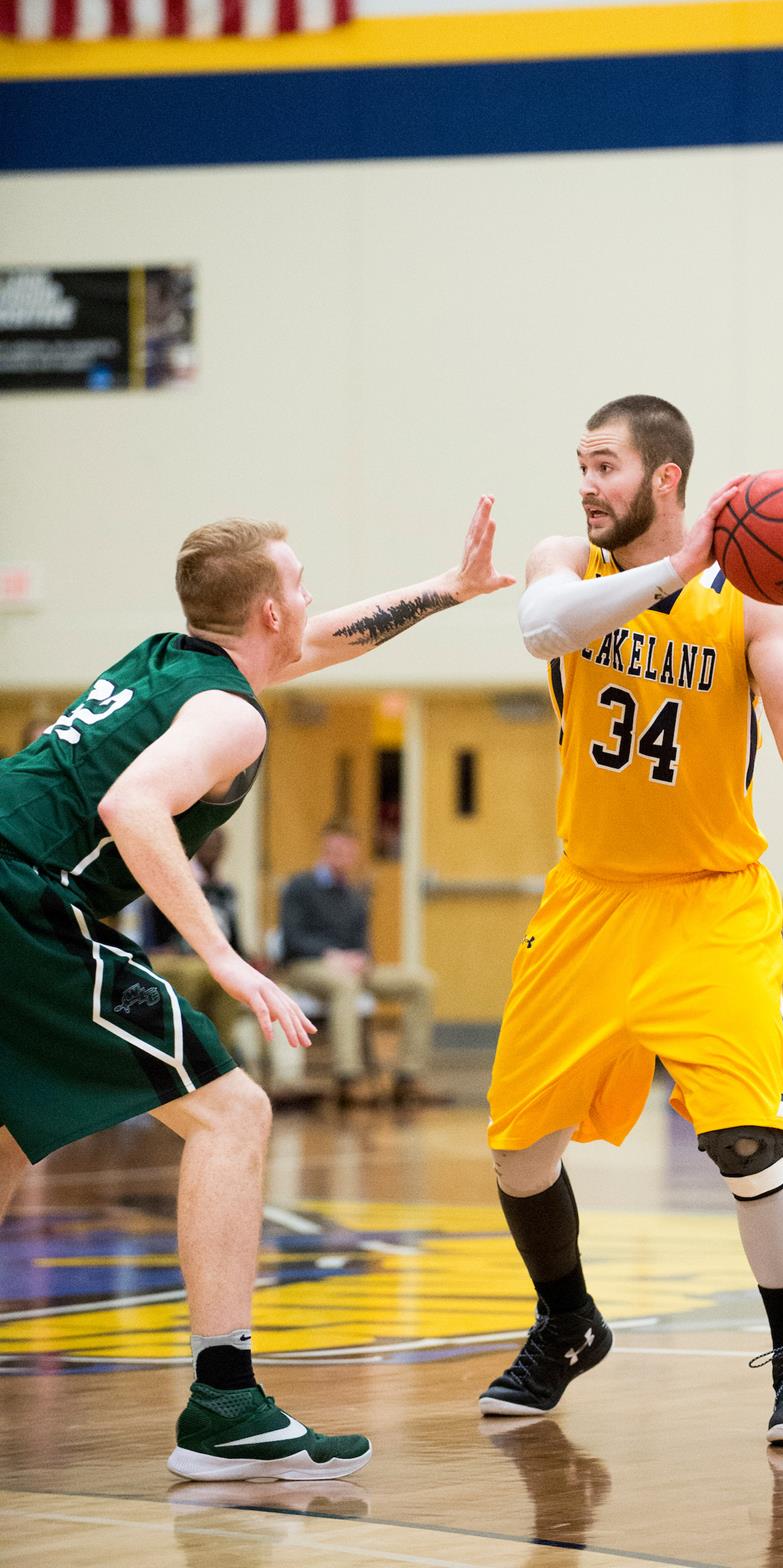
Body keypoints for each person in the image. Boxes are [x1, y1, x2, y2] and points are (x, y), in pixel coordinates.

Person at [0, 500, 513, 1479]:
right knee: (233, 1113)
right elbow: (132, 805)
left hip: (13, 873)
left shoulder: (173, 659)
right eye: (298, 581)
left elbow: (326, 637)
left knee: (10, 1132)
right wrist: (228, 958)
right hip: (24, 900)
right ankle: (225, 1401)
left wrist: (451, 589)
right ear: (267, 611)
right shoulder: (229, 712)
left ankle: (227, 1401)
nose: (310, 597)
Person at [480, 395, 783, 1445]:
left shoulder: (748, 603)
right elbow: (540, 626)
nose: (587, 484)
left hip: (709, 898)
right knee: (518, 1151)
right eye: (582, 464)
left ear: (665, 476)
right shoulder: (569, 560)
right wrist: (679, 565)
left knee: (747, 1136)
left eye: (605, 465)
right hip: (591, 894)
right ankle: (566, 1323)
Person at [273, 819, 447, 1107]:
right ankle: (348, 1077)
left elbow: (363, 945)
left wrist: (363, 960)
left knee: (421, 983)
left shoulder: (355, 896)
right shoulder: (299, 887)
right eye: (335, 850)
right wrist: (329, 955)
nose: (342, 857)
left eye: (348, 852)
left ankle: (408, 1075)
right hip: (305, 967)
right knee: (345, 985)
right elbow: (291, 938)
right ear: (325, 850)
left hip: (351, 970)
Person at [140, 828, 248, 1057]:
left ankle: (221, 1054)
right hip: (174, 957)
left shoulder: (225, 890)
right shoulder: (176, 881)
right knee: (196, 974)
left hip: (209, 959)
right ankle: (186, 1050)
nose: (213, 851)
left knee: (230, 978)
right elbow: (157, 936)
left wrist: (246, 961)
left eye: (218, 846)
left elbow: (234, 939)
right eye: (208, 844)